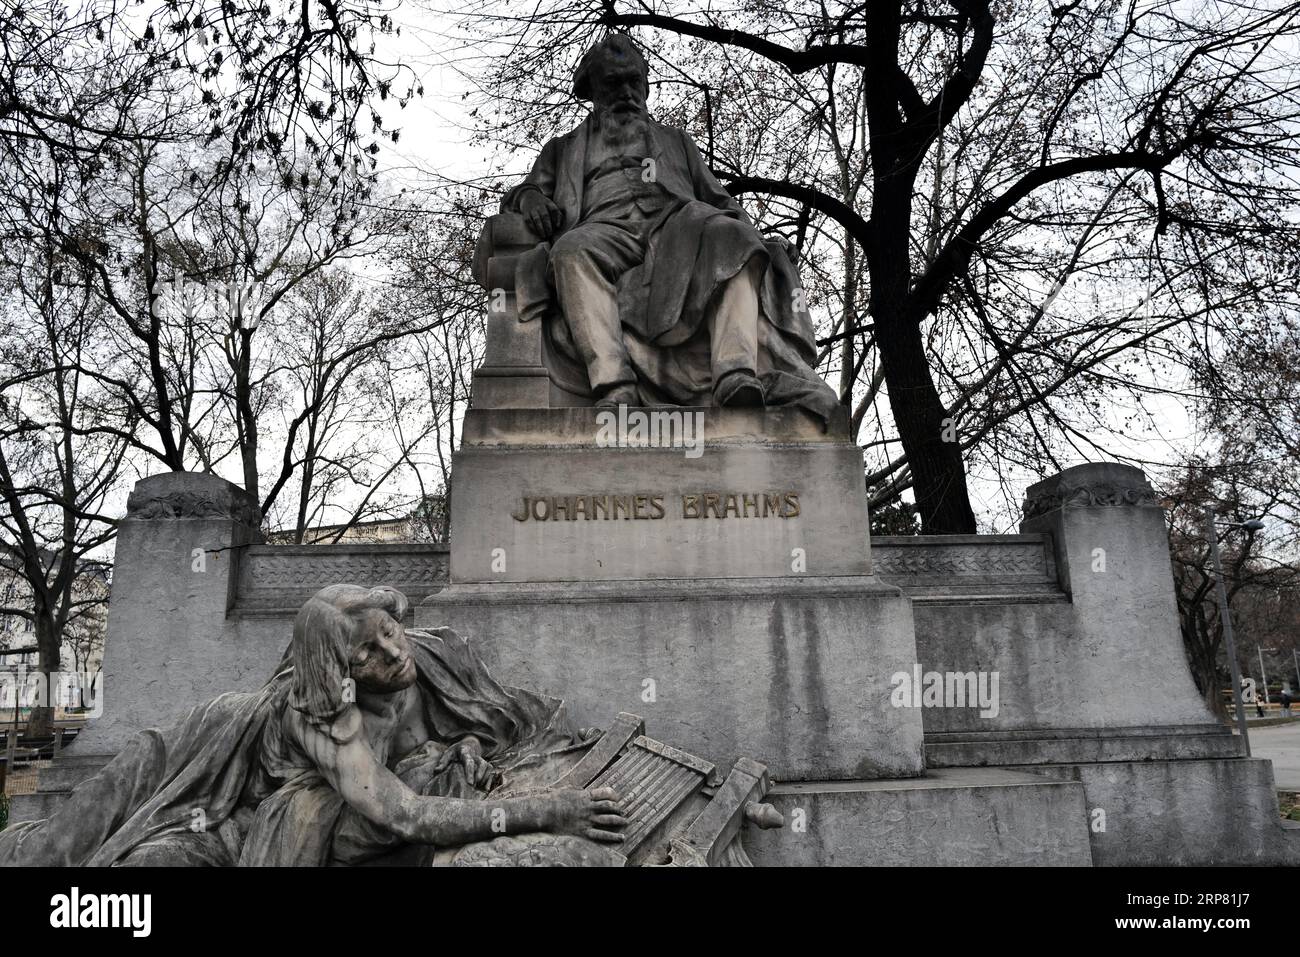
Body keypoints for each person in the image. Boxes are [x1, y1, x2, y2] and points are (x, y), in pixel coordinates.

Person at [0, 585, 626, 866]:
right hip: (209, 771)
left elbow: (525, 720)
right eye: (367, 655)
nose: (392, 654)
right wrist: (548, 811)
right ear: (339, 671)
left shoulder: (432, 654)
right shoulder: (328, 720)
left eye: (389, 631)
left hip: (262, 793)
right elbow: (403, 815)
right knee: (70, 850)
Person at [504, 33, 839, 423]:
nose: (626, 92)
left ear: (646, 87)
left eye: (635, 82)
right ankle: (616, 388)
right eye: (613, 83)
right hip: (604, 230)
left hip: (676, 229)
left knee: (731, 235)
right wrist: (530, 199)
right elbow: (525, 191)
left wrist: (757, 237)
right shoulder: (563, 149)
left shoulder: (676, 141)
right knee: (569, 252)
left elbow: (719, 201)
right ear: (593, 91)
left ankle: (734, 373)